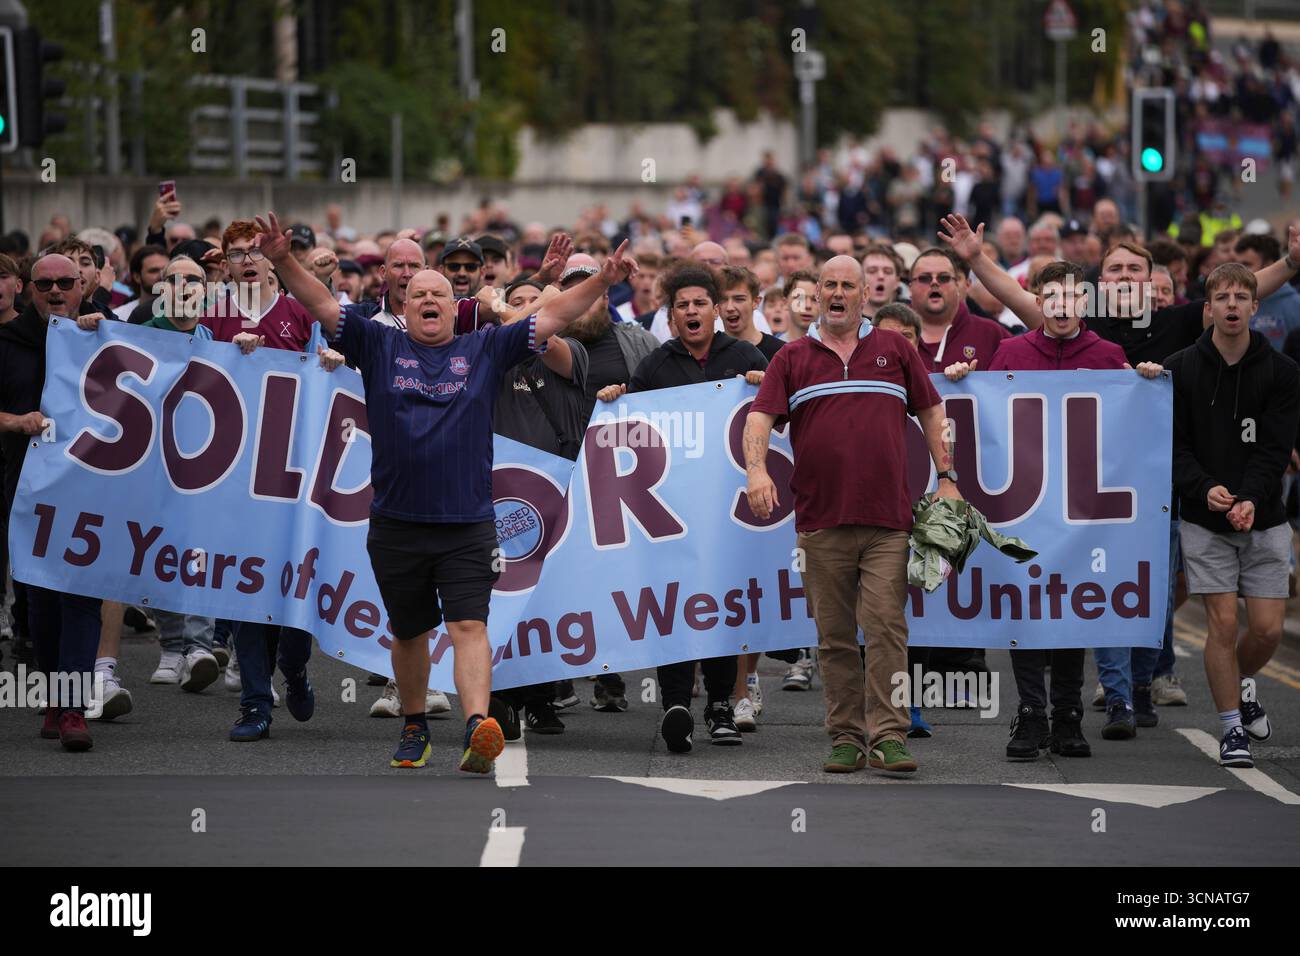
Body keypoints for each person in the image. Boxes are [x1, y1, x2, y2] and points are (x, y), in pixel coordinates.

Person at [261, 211, 638, 771]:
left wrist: (603, 281)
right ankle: (415, 727)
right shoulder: (377, 345)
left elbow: (553, 315)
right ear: (405, 306)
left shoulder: (485, 349)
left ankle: (475, 726)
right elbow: (320, 305)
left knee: (469, 626)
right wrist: (284, 259)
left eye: (439, 293)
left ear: (454, 309)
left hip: (467, 523)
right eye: (419, 295)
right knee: (409, 632)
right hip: (397, 522)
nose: (429, 300)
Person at [745, 256, 961, 775]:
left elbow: (932, 411)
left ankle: (888, 735)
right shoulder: (792, 358)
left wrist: (947, 475)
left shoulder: (895, 349)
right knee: (835, 636)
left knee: (886, 628)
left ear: (864, 295)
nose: (837, 293)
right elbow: (759, 419)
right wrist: (756, 470)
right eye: (829, 285)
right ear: (816, 294)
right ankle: (845, 736)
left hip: (888, 520)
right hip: (820, 521)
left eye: (848, 285)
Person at [943, 259, 1165, 758]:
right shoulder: (1010, 351)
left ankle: (1067, 715)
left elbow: (1129, 430)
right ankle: (1029, 714)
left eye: (1071, 298)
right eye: (1052, 298)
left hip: (1083, 514)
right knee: (1024, 610)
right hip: (1024, 511)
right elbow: (983, 420)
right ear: (1038, 302)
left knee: (1070, 611)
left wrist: (1146, 385)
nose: (1062, 307)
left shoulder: (1109, 355)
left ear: (1084, 303)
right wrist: (963, 378)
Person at [596, 265, 767, 752]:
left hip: (726, 512)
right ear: (671, 317)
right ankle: (675, 703)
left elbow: (779, 412)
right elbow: (633, 427)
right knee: (671, 604)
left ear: (716, 310)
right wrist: (617, 398)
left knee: (718, 606)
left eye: (700, 303)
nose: (691, 311)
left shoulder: (746, 356)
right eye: (682, 306)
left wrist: (763, 383)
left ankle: (719, 706)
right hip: (670, 511)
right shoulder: (655, 365)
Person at [1166, 263, 1300, 768]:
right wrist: (1206, 490)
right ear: (1208, 308)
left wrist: (1247, 497)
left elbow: (1275, 448)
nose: (1231, 305)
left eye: (1240, 297)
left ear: (1254, 307)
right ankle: (1230, 728)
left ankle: (1243, 686)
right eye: (1221, 297)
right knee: (1222, 623)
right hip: (1204, 519)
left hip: (1263, 516)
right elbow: (1175, 447)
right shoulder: (1181, 368)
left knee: (1266, 629)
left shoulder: (1283, 373)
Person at [200, 220, 322, 742]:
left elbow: (324, 380)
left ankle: (293, 668)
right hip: (236, 480)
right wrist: (228, 359)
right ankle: (254, 705)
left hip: (292, 479)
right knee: (246, 591)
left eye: (254, 251)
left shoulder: (300, 312)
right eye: (235, 254)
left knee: (294, 594)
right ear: (224, 264)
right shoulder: (214, 318)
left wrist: (324, 361)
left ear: (271, 259)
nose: (246, 260)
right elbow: (195, 387)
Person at [0, 253, 100, 751]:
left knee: (82, 594)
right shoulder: (8, 343)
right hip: (26, 489)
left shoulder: (104, 336)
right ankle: (57, 697)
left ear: (84, 286)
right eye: (46, 284)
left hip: (90, 489)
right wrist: (17, 422)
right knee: (40, 600)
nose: (56, 291)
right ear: (28, 290)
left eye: (67, 282)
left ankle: (74, 709)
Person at [556, 253, 657, 711]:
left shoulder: (639, 343)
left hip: (620, 486)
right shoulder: (545, 346)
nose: (585, 301)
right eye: (575, 289)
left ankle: (608, 673)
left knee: (612, 582)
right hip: (557, 477)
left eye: (593, 289)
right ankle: (554, 675)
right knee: (561, 579)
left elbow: (672, 399)